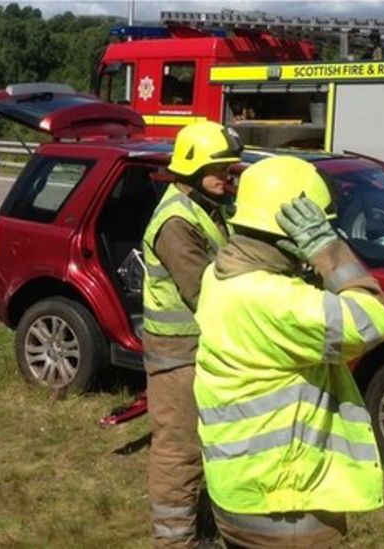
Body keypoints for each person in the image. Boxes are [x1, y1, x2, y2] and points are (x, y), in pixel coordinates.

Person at [193, 156, 384, 548]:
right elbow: (373, 319)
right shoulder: (277, 301)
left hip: (238, 489)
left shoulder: (220, 276)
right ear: (291, 237)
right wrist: (328, 251)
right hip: (286, 505)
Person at [141, 120, 242, 547]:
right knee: (178, 452)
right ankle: (175, 540)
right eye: (221, 170)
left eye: (232, 170)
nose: (229, 178)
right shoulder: (177, 222)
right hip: (177, 355)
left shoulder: (206, 207)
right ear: (193, 169)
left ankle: (199, 528)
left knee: (206, 446)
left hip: (200, 350)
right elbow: (202, 289)